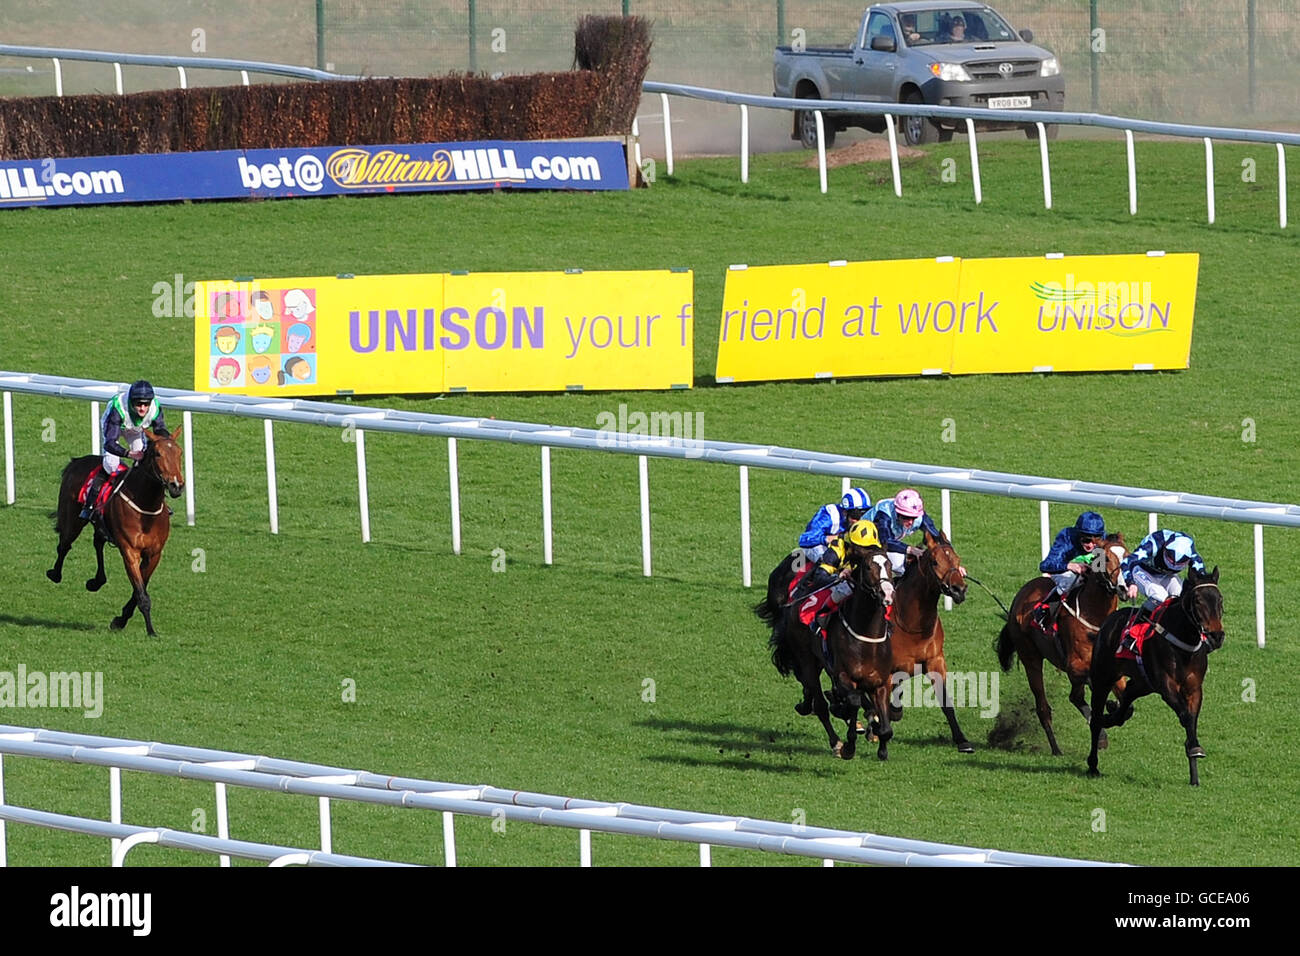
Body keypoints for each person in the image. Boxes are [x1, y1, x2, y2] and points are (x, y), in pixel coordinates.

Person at [79, 380, 171, 521]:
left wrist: (166, 442)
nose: (142, 408)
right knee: (111, 464)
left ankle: (160, 501)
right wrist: (128, 454)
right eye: (138, 404)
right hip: (115, 428)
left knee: (145, 460)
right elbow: (110, 443)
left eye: (146, 404)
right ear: (131, 402)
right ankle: (90, 504)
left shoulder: (155, 408)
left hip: (135, 430)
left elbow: (159, 429)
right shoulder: (118, 409)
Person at [790, 518, 883, 636]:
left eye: (869, 548)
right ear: (853, 545)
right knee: (844, 589)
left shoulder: (870, 552)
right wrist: (839, 577)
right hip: (829, 584)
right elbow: (820, 576)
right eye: (863, 548)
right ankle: (821, 618)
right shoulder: (836, 550)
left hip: (856, 584)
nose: (866, 553)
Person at [1030, 511, 1108, 629]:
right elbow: (1045, 565)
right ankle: (1044, 609)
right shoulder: (1067, 537)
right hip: (1063, 572)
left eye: (1095, 541)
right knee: (1071, 579)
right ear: (1078, 535)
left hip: (1087, 574)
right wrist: (1070, 566)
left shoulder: (1103, 542)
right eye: (1086, 540)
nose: (1091, 546)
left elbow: (1101, 569)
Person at [1121, 529, 1206, 616]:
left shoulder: (1192, 554)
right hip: (1141, 569)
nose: (1173, 564)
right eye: (1170, 559)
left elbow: (1203, 580)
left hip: (1165, 575)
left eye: (1179, 563)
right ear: (1165, 548)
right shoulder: (1154, 545)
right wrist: (1131, 583)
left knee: (1181, 596)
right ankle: (1138, 621)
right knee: (1159, 595)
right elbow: (1126, 562)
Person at [864, 488, 941, 575]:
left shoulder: (919, 515)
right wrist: (911, 550)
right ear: (897, 512)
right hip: (864, 544)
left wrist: (951, 562)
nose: (911, 522)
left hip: (885, 542)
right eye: (906, 517)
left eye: (913, 518)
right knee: (899, 564)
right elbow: (885, 541)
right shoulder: (884, 515)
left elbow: (937, 537)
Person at [797, 487, 871, 565]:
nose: (859, 521)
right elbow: (803, 540)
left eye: (864, 515)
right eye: (855, 515)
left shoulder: (868, 520)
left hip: (841, 548)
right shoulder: (829, 516)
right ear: (845, 512)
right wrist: (826, 539)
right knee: (832, 560)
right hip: (817, 547)